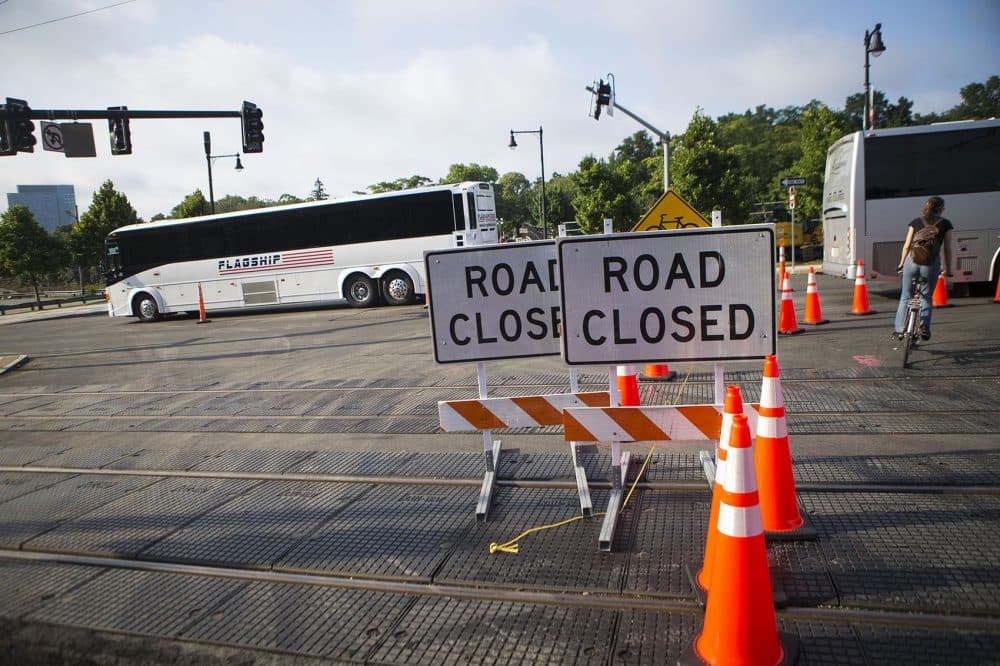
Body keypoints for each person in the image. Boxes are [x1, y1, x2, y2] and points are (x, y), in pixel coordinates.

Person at [892, 196, 954, 341]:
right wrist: (948, 270)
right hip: (930, 264)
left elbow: (907, 245)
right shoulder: (946, 224)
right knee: (925, 296)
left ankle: (900, 330)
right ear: (941, 209)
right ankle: (924, 326)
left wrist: (901, 263)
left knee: (905, 296)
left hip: (911, 261)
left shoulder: (916, 222)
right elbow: (948, 249)